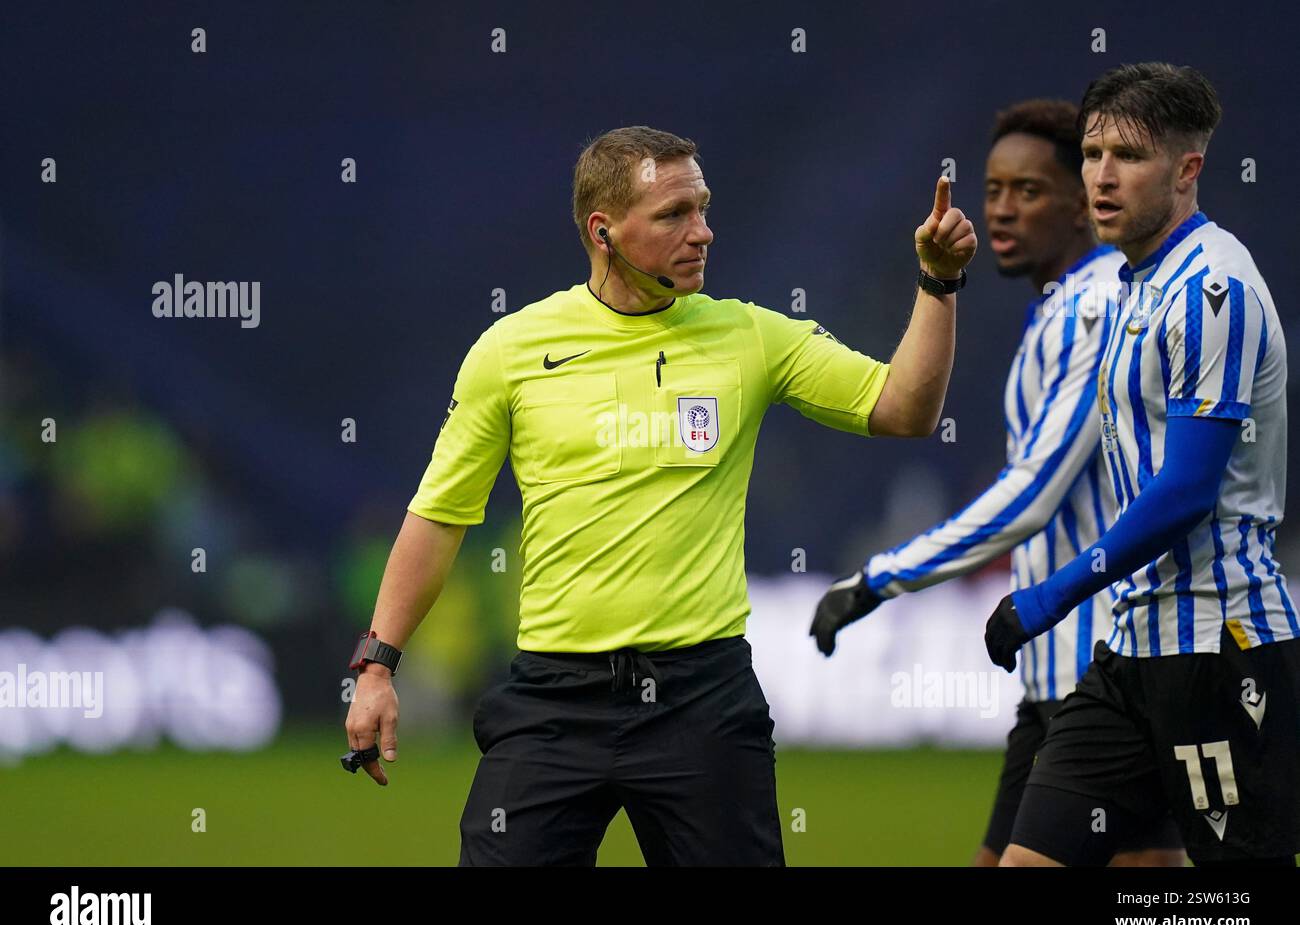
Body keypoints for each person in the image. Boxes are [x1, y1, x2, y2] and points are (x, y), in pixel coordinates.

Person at [344, 125, 976, 865]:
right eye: (674, 215)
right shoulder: (511, 351)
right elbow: (439, 518)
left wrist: (937, 283)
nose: (702, 232)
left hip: (700, 703)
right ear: (603, 232)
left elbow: (906, 408)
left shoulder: (749, 336)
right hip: (555, 701)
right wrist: (378, 667)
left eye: (703, 209)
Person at [807, 99, 1183, 866]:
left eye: (1029, 191)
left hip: (1105, 672)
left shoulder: (1103, 308)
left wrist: (880, 578)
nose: (1002, 210)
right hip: (1059, 682)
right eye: (994, 189)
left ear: (1082, 205)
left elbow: (1034, 490)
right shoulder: (1060, 310)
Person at [983, 64, 1299, 866]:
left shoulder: (1211, 289)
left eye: (1127, 155)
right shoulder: (1135, 283)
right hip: (1130, 651)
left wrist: (1051, 595)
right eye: (1091, 154)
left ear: (1188, 170)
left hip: (1219, 649)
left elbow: (1186, 491)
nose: (1100, 176)